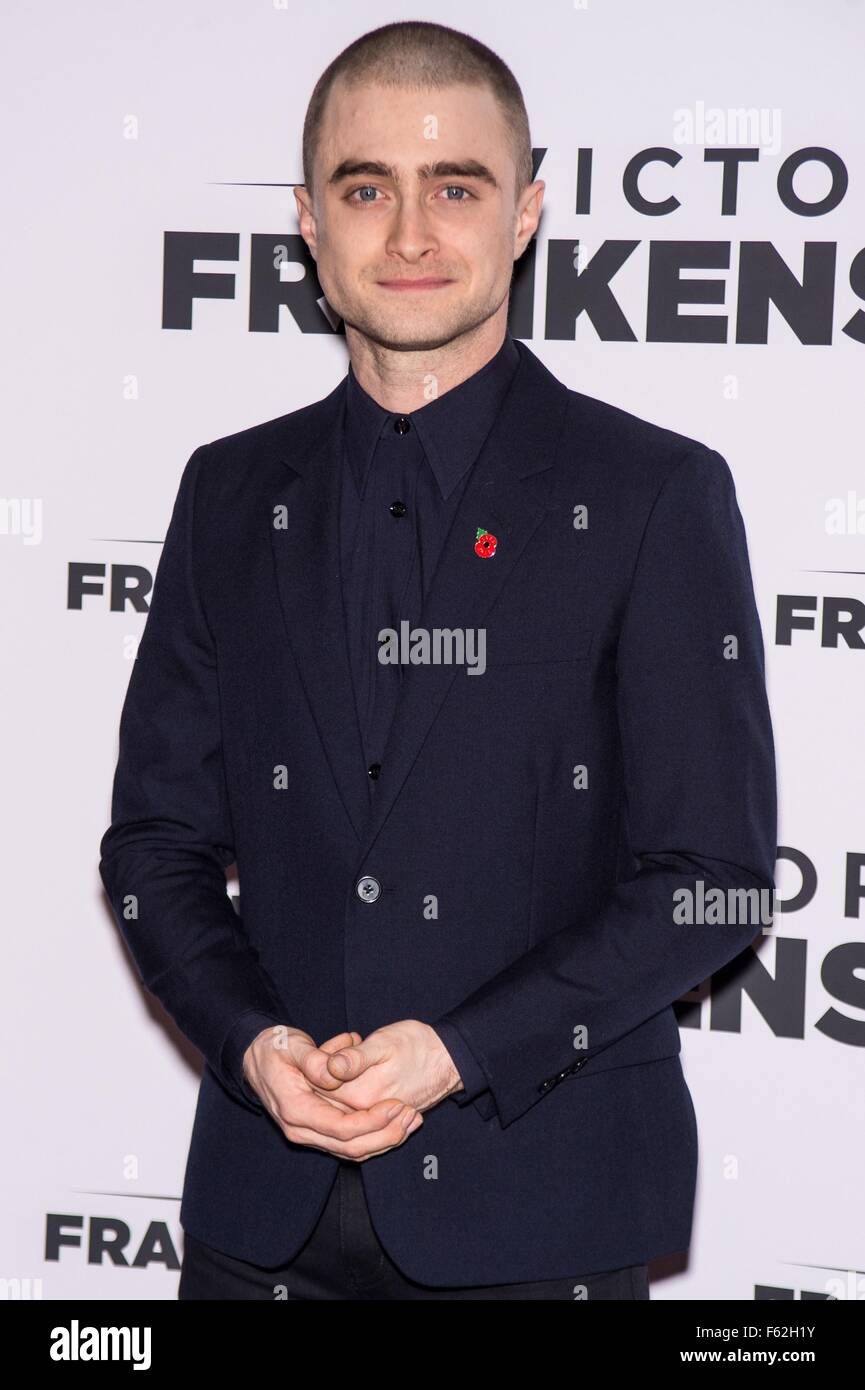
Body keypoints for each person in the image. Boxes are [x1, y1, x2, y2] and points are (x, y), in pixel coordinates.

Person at [99, 19, 777, 1301]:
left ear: (523, 214)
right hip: (259, 1225)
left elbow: (714, 880)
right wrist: (251, 1047)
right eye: (367, 188)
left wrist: (457, 1051)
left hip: (542, 1217)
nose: (410, 234)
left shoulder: (651, 495)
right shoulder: (232, 493)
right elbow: (155, 846)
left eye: (454, 187)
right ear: (308, 218)